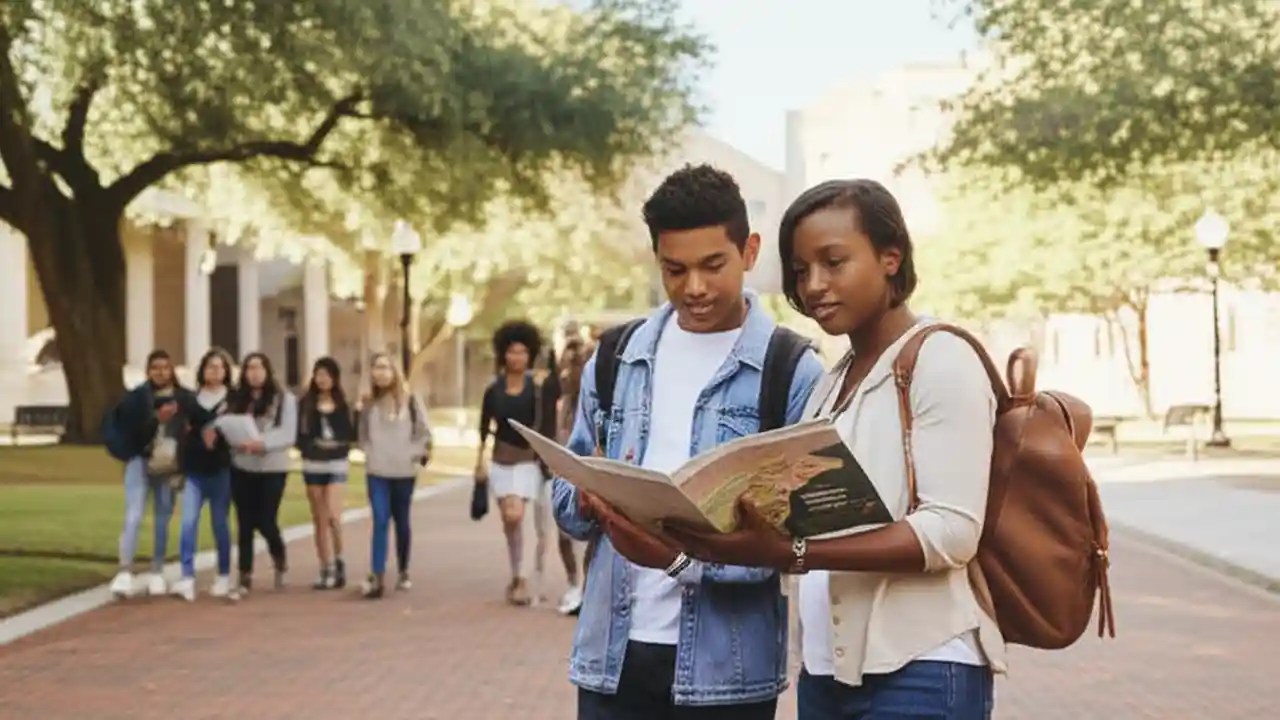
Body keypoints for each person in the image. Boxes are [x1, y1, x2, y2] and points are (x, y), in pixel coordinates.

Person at [665, 179, 1002, 719]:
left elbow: (953, 531)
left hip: (922, 671)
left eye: (834, 262)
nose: (815, 284)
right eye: (800, 271)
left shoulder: (939, 359)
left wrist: (796, 554)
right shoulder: (832, 381)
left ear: (891, 258)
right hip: (826, 676)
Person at [551, 163, 825, 719]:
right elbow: (566, 509)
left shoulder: (791, 371)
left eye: (712, 266)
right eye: (674, 269)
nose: (694, 287)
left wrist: (678, 558)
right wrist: (586, 495)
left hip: (728, 672)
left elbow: (796, 546)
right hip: (614, 659)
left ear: (749, 251)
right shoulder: (616, 358)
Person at [475, 320, 559, 607]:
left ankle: (524, 577)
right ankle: (516, 574)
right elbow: (484, 426)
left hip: (527, 461)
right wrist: (479, 461)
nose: (517, 357)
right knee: (509, 521)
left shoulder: (535, 389)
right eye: (512, 352)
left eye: (523, 352)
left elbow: (545, 423)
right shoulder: (493, 390)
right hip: (500, 460)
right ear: (503, 354)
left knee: (516, 515)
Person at [108, 349, 198, 599]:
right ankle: (125, 570)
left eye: (165, 368)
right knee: (133, 515)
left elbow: (196, 427)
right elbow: (128, 433)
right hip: (140, 460)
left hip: (169, 464)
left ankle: (157, 570)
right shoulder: (136, 399)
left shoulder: (185, 398)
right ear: (148, 371)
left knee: (162, 518)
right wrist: (156, 419)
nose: (161, 372)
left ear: (172, 371)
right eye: (155, 368)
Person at [358, 352, 432, 599]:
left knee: (402, 520)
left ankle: (403, 569)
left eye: (385, 367)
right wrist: (369, 453)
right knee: (380, 519)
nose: (380, 372)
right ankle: (377, 573)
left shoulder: (411, 400)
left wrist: (413, 453)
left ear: (394, 371)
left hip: (403, 470)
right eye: (376, 367)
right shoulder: (367, 403)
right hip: (377, 470)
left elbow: (424, 433)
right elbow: (362, 436)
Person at [228, 352, 298, 594]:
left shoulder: (284, 399)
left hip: (272, 467)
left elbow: (288, 434)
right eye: (249, 368)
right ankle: (245, 573)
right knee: (244, 521)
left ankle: (279, 558)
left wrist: (261, 443)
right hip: (242, 465)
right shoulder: (237, 399)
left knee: (266, 520)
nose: (254, 373)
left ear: (267, 370)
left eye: (258, 368)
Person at [172, 347, 237, 602]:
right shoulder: (190, 399)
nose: (215, 371)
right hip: (195, 471)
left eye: (220, 367)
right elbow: (182, 432)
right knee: (188, 522)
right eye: (211, 366)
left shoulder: (232, 399)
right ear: (203, 370)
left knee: (220, 524)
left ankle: (222, 575)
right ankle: (187, 577)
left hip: (221, 470)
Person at [297, 356, 356, 590]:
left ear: (334, 378)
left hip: (336, 463)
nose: (322, 379)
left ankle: (339, 559)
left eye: (326, 375)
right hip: (313, 463)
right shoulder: (305, 405)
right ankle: (325, 566)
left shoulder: (343, 405)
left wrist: (336, 447)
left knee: (333, 515)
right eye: (318, 374)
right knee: (319, 518)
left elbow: (350, 436)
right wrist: (311, 448)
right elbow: (300, 436)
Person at [551, 335, 590, 616]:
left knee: (594, 534)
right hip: (561, 469)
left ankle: (586, 588)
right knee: (564, 531)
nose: (571, 373)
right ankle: (573, 582)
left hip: (589, 470)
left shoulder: (597, 398)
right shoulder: (560, 401)